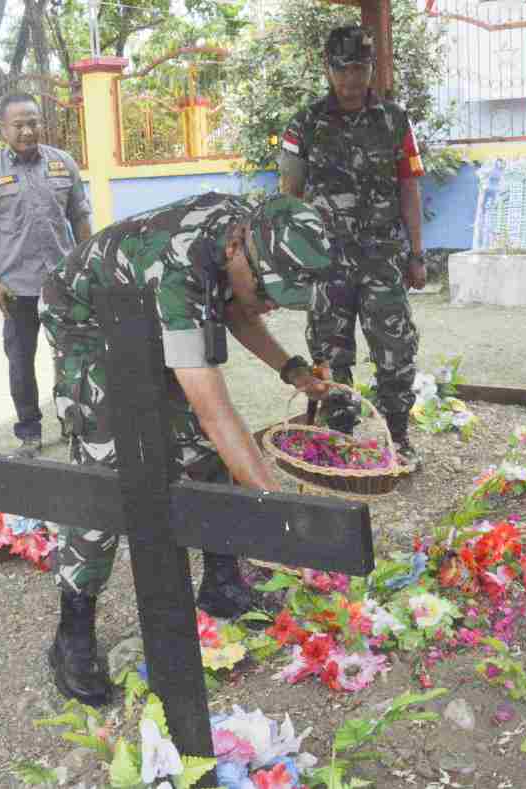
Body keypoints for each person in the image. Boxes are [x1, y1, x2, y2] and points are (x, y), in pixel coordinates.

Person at [40, 191, 333, 704]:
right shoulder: (181, 266)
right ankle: (73, 633)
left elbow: (237, 307)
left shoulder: (242, 233)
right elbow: (216, 412)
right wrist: (280, 508)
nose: (268, 304)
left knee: (203, 451)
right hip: (85, 320)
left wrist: (290, 368)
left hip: (144, 311)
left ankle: (221, 582)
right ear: (239, 250)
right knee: (110, 467)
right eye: (267, 291)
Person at [279, 24, 426, 471]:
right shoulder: (304, 123)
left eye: (359, 68)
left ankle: (397, 438)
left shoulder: (394, 120)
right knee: (329, 355)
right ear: (327, 69)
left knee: (395, 351)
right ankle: (339, 441)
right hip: (327, 264)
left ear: (371, 68)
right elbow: (290, 195)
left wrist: (417, 255)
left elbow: (408, 188)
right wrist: (293, 260)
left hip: (382, 260)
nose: (351, 79)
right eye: (342, 69)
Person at [0, 92, 92, 457]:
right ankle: (29, 432)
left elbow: (80, 218)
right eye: (19, 124)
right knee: (21, 362)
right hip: (15, 288)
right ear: (3, 129)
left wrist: (88, 265)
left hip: (62, 283)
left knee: (71, 357)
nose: (27, 130)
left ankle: (75, 423)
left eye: (33, 122)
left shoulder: (63, 164)